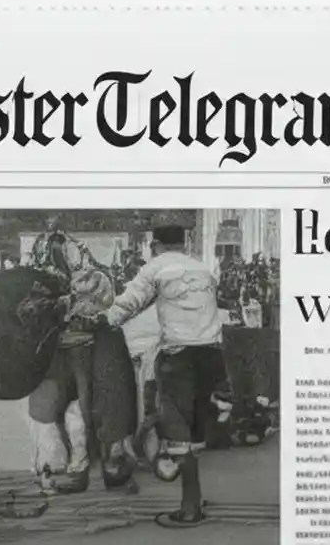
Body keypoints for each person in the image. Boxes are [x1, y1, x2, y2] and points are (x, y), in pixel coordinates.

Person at [85, 224, 229, 529]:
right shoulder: (202, 269)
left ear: (157, 245)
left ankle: (190, 507)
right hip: (212, 355)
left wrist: (104, 320)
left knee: (177, 431)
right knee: (196, 429)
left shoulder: (157, 267)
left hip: (179, 358)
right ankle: (195, 497)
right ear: (185, 242)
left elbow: (131, 300)